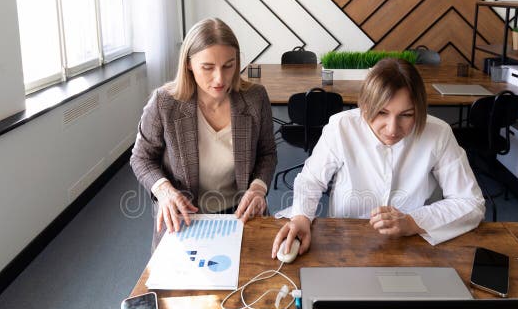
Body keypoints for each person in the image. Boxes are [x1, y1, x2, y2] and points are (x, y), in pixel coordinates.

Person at [271, 58, 485, 258]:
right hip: (347, 244)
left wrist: (412, 222)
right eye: (382, 113)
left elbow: (471, 203)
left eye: (407, 115)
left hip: (414, 247)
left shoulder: (438, 133)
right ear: (364, 106)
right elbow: (311, 180)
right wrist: (301, 217)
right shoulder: (342, 127)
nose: (392, 129)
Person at [131, 18, 277, 247]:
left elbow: (267, 153)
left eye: (228, 65)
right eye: (208, 67)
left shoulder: (255, 98)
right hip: (185, 217)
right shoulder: (164, 103)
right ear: (189, 64)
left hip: (242, 213)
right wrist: (164, 191)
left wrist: (258, 188)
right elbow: (141, 157)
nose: (220, 78)